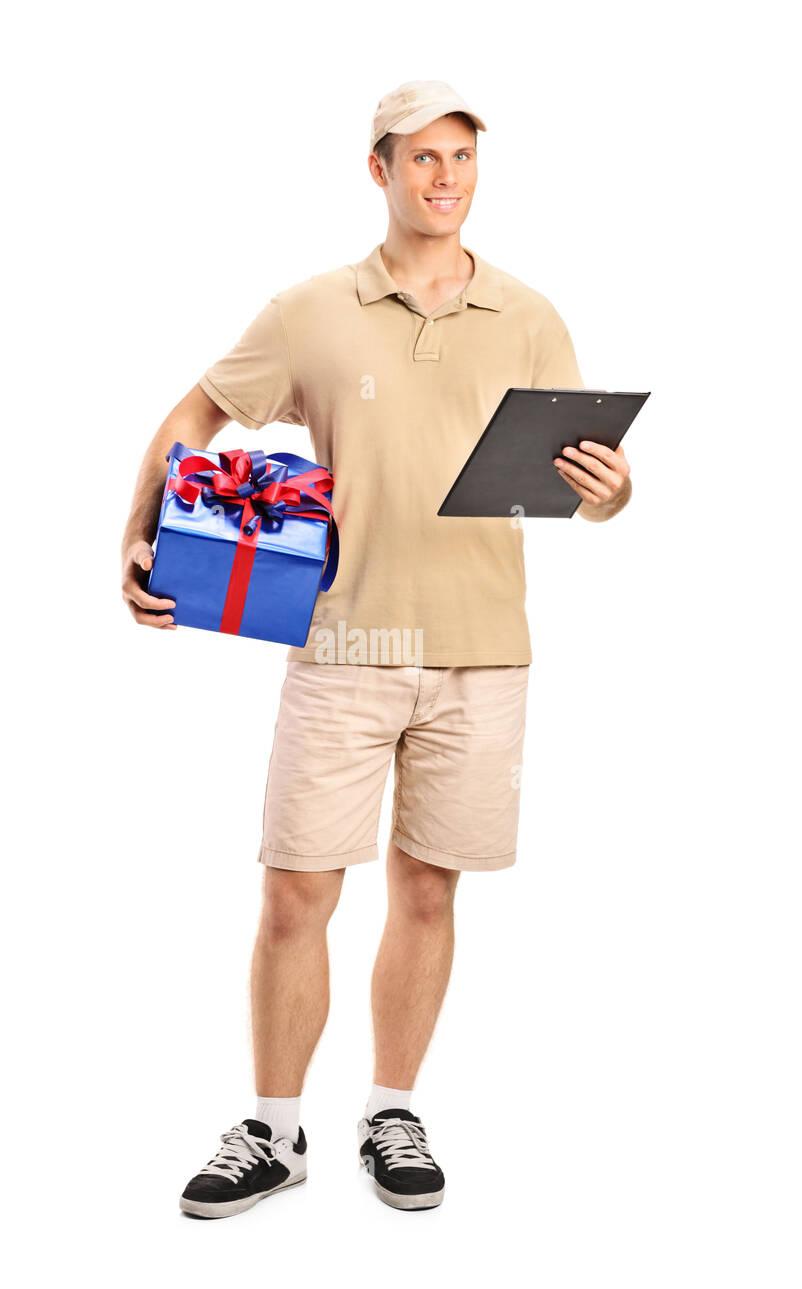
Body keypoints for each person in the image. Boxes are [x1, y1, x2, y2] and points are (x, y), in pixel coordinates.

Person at [121, 79, 633, 1218]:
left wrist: (612, 490)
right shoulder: (312, 311)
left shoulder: (529, 314)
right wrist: (139, 525)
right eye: (422, 158)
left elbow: (580, 476)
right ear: (379, 170)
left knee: (427, 889)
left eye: (461, 158)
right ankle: (274, 1128)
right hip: (342, 641)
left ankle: (390, 1108)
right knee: (296, 891)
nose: (444, 178)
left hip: (482, 650)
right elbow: (196, 413)